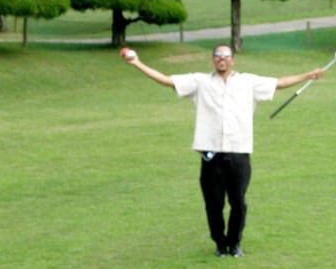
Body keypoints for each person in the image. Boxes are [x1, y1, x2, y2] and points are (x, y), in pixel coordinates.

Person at [122, 44, 323, 257]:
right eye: (217, 56)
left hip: (239, 152)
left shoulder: (248, 82)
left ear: (232, 60)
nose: (221, 60)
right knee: (213, 204)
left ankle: (234, 244)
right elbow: (166, 80)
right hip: (210, 154)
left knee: (238, 202)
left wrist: (308, 75)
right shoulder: (199, 82)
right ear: (213, 60)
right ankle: (219, 243)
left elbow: (280, 83)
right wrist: (137, 63)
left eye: (226, 56)